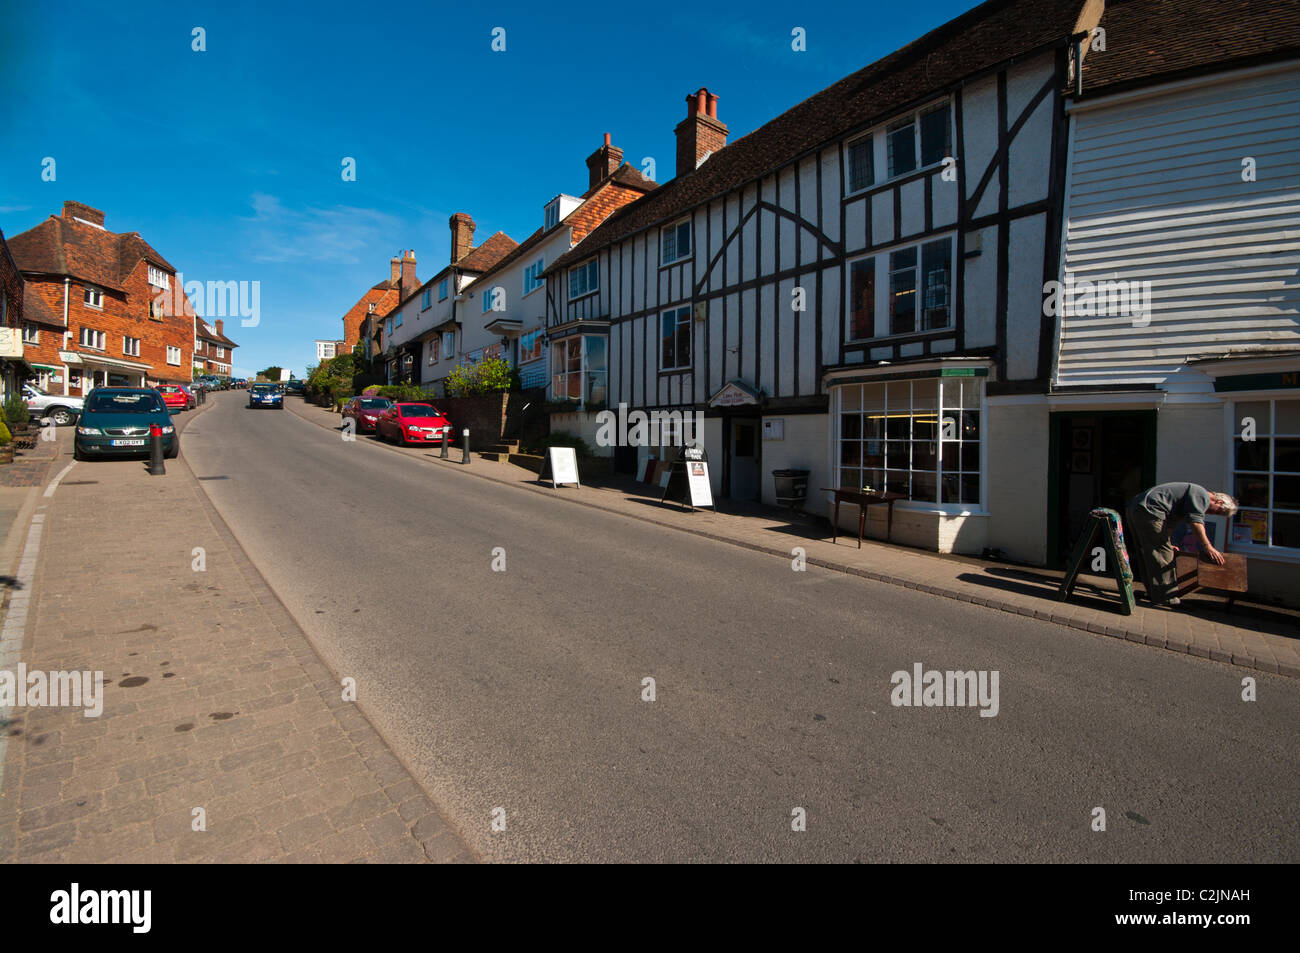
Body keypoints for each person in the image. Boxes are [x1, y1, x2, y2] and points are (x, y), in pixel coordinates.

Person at [1125, 483, 1238, 607]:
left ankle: (1153, 592)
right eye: (1218, 512)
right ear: (1219, 502)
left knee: (1147, 552)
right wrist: (1208, 547)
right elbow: (1196, 523)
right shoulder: (1201, 495)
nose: (1212, 514)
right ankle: (1168, 598)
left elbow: (1170, 523)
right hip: (1149, 510)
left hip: (1137, 508)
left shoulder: (1191, 497)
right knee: (1164, 556)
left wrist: (1167, 542)